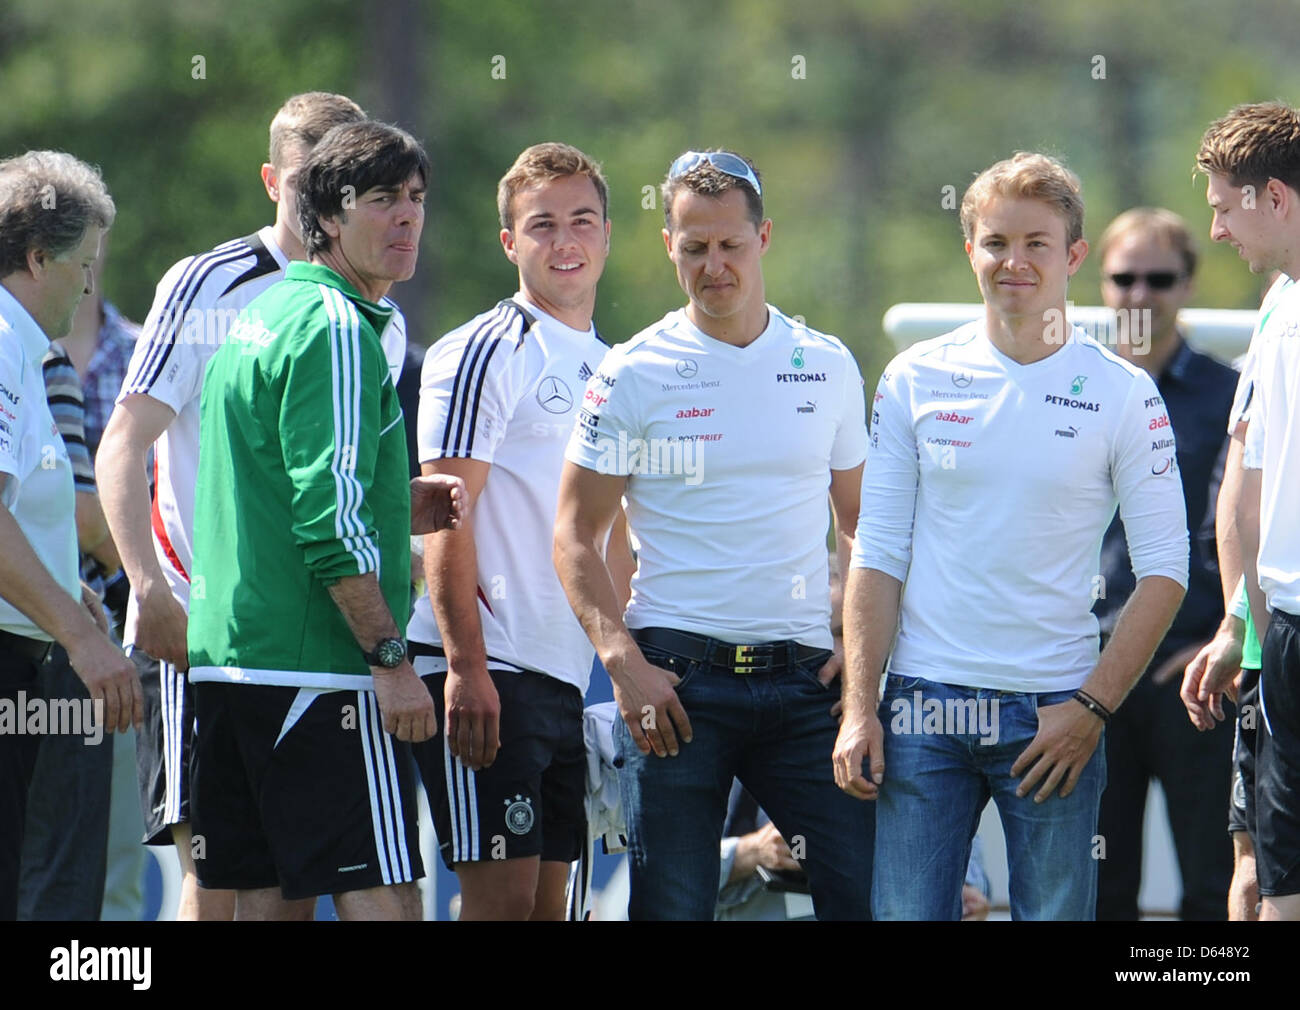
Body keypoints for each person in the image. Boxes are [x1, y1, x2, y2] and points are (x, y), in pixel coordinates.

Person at [834, 152, 1189, 920]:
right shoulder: (912, 377)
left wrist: (1091, 708)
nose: (1015, 261)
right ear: (971, 251)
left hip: (1054, 710)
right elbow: (878, 549)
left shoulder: (1124, 393)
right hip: (923, 706)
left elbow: (1166, 569)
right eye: (996, 241)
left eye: (1037, 242)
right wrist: (862, 706)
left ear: (1073, 256)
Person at [555, 149, 874, 920]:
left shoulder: (826, 364)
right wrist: (625, 667)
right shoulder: (632, 371)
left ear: (764, 239)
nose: (714, 264)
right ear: (670, 246)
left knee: (866, 893)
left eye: (730, 244)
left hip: (804, 684)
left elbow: (862, 528)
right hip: (676, 682)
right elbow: (574, 533)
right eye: (694, 247)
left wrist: (860, 666)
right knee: (671, 908)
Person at [96, 91, 380, 920]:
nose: (321, 200)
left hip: (314, 638)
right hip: (204, 629)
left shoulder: (369, 304)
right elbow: (125, 440)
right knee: (219, 879)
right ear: (270, 180)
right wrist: (147, 587)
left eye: (342, 181)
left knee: (290, 885)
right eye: (305, 179)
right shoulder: (212, 281)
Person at [185, 120, 460, 922]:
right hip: (318, 667)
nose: (407, 217)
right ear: (328, 218)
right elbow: (326, 523)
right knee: (383, 894)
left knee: (271, 901)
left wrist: (393, 499)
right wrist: (389, 658)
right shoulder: (339, 327)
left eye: (415, 198)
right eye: (382, 200)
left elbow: (273, 487)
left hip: (231, 661)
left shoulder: (261, 317)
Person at [408, 142, 624, 921]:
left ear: (606, 235)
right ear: (510, 243)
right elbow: (443, 512)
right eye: (541, 225)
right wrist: (466, 664)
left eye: (581, 221)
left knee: (546, 907)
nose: (563, 242)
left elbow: (614, 537)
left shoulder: (615, 363)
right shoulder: (483, 349)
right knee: (498, 903)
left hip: (564, 678)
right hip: (487, 670)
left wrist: (621, 667)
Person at [0, 149, 141, 921]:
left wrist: (62, 584)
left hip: (30, 646)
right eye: (82, 263)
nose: (91, 285)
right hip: (18, 666)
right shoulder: (2, 343)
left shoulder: (23, 348)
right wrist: (81, 639)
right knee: (51, 898)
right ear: (35, 257)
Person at [1090, 208, 1238, 920]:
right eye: (1124, 277)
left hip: (1198, 672)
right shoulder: (1076, 387)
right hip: (1089, 673)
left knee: (1213, 887)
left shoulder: (1232, 393)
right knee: (1100, 888)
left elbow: (1251, 529)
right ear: (1101, 281)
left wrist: (1226, 639)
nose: (1140, 294)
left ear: (1188, 283)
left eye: (1159, 277)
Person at [1189, 101, 1300, 920]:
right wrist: (1241, 627)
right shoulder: (1275, 308)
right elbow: (1249, 482)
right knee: (1268, 886)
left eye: (1227, 207)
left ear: (1276, 199)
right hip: (1282, 632)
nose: (1220, 231)